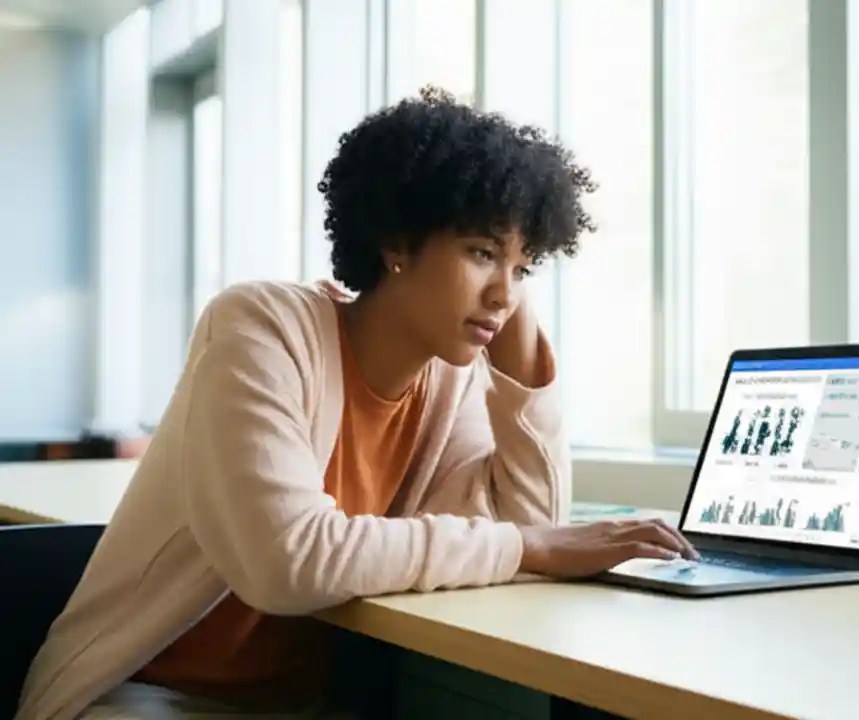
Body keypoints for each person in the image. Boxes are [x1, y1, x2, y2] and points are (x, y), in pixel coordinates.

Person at [17, 87, 697, 720]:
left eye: (523, 267)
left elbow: (528, 529)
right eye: (482, 252)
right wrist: (534, 545)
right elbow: (290, 562)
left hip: (301, 706)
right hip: (146, 693)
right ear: (396, 242)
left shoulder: (449, 379)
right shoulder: (261, 326)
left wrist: (521, 371)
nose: (506, 294)